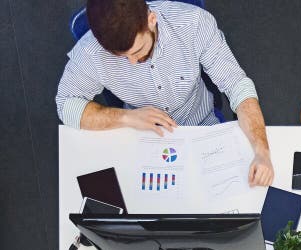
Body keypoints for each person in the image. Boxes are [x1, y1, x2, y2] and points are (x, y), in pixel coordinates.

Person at [56, 0, 274, 186]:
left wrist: (262, 152)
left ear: (151, 20)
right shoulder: (91, 50)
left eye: (138, 52)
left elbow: (237, 85)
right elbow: (66, 105)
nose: (132, 63)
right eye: (121, 57)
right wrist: (126, 117)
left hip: (201, 125)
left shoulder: (194, 24)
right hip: (140, 135)